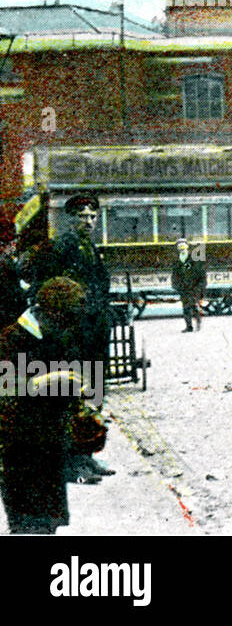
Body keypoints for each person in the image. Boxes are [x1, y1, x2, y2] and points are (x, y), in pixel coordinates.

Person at [26, 194, 114, 479]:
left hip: (93, 334)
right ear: (70, 218)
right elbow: (41, 283)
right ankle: (71, 462)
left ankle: (87, 457)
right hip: (73, 336)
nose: (87, 221)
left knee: (93, 394)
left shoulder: (91, 247)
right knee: (72, 396)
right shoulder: (61, 247)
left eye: (92, 216)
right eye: (81, 216)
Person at [0, 277, 90, 533]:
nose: (70, 326)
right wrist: (45, 382)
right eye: (66, 319)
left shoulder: (57, 335)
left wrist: (83, 408)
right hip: (20, 450)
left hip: (50, 446)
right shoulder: (11, 339)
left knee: (48, 524)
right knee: (29, 525)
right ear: (49, 312)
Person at [171, 239, 207, 333]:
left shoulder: (194, 259)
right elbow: (174, 275)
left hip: (194, 288)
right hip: (183, 289)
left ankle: (197, 322)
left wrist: (199, 287)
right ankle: (189, 326)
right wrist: (176, 286)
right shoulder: (177, 260)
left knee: (193, 306)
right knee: (186, 308)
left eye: (183, 247)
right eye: (180, 247)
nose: (182, 249)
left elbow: (202, 274)